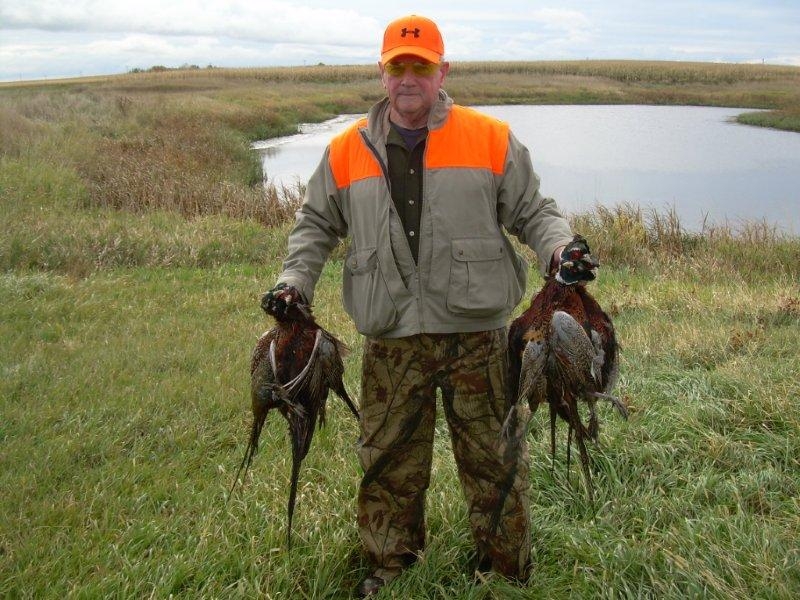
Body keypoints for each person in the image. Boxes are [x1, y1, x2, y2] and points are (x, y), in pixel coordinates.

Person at [263, 14, 574, 597]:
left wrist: (561, 249)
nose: (409, 77)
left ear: (442, 71)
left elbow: (534, 211)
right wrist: (293, 284)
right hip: (390, 333)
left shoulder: (489, 138)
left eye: (421, 66)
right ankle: (390, 566)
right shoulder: (345, 150)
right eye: (398, 66)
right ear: (382, 73)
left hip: (477, 333)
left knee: (494, 458)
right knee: (388, 459)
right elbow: (314, 226)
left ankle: (505, 570)